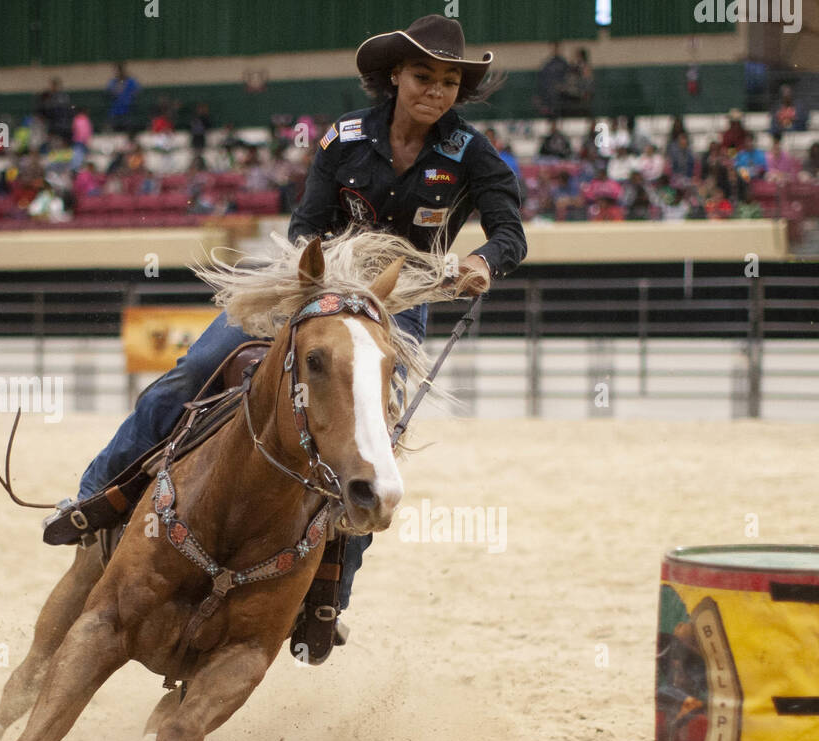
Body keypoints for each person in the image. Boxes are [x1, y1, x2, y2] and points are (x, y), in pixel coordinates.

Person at [43, 15, 527, 658]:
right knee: (198, 369)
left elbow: (509, 234)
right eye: (423, 76)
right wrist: (312, 281)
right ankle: (96, 495)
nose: (434, 90)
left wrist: (481, 262)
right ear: (395, 78)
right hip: (312, 286)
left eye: (447, 81)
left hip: (396, 306)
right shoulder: (344, 140)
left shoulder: (473, 153)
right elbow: (306, 225)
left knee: (371, 447)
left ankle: (327, 599)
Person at [106, 63, 140, 132]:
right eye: (117, 71)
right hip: (115, 111)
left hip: (128, 111)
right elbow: (109, 91)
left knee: (129, 128)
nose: (119, 72)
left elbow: (137, 91)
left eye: (120, 70)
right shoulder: (113, 82)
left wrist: (130, 97)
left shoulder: (131, 81)